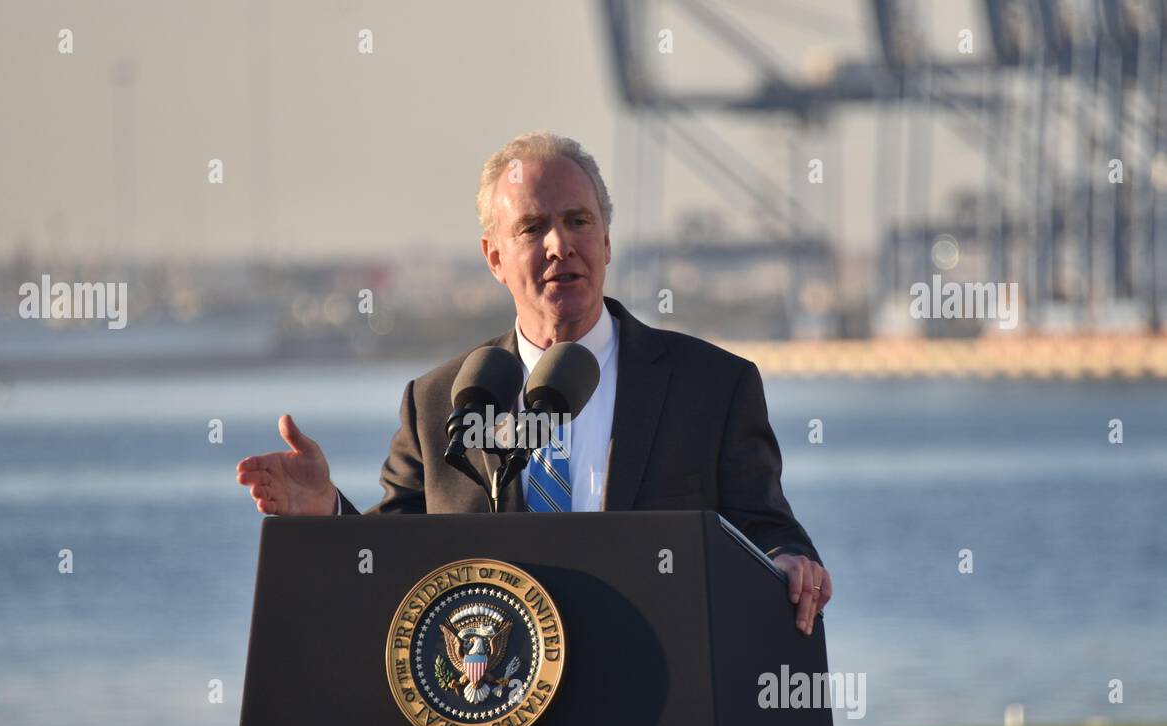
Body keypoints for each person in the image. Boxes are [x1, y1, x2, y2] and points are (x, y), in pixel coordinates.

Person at [237, 131, 832, 634]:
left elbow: (767, 527)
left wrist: (790, 560)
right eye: (531, 227)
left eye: (578, 221)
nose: (559, 245)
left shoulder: (712, 386)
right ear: (493, 257)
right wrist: (326, 514)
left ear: (605, 241)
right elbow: (391, 567)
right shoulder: (437, 403)